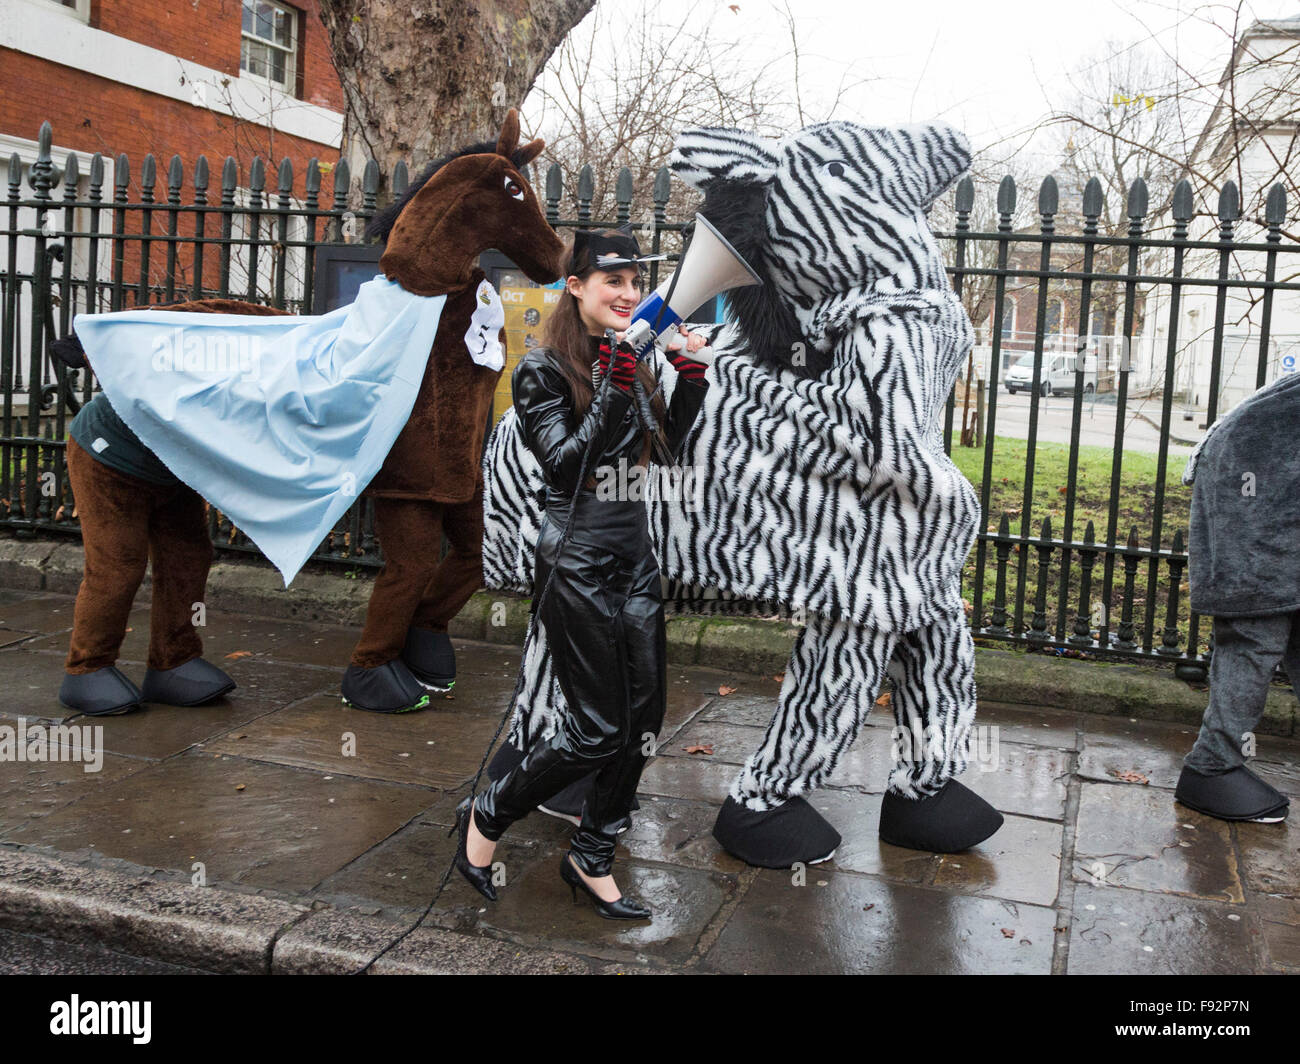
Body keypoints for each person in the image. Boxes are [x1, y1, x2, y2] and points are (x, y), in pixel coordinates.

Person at [452, 228, 711, 919]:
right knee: (596, 727)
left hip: (633, 557)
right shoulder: (541, 369)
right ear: (577, 287)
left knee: (644, 719)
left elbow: (670, 452)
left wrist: (689, 375)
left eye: (635, 283)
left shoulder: (632, 361)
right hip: (576, 558)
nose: (629, 294)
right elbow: (567, 463)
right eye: (613, 281)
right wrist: (617, 379)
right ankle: (488, 812)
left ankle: (592, 856)